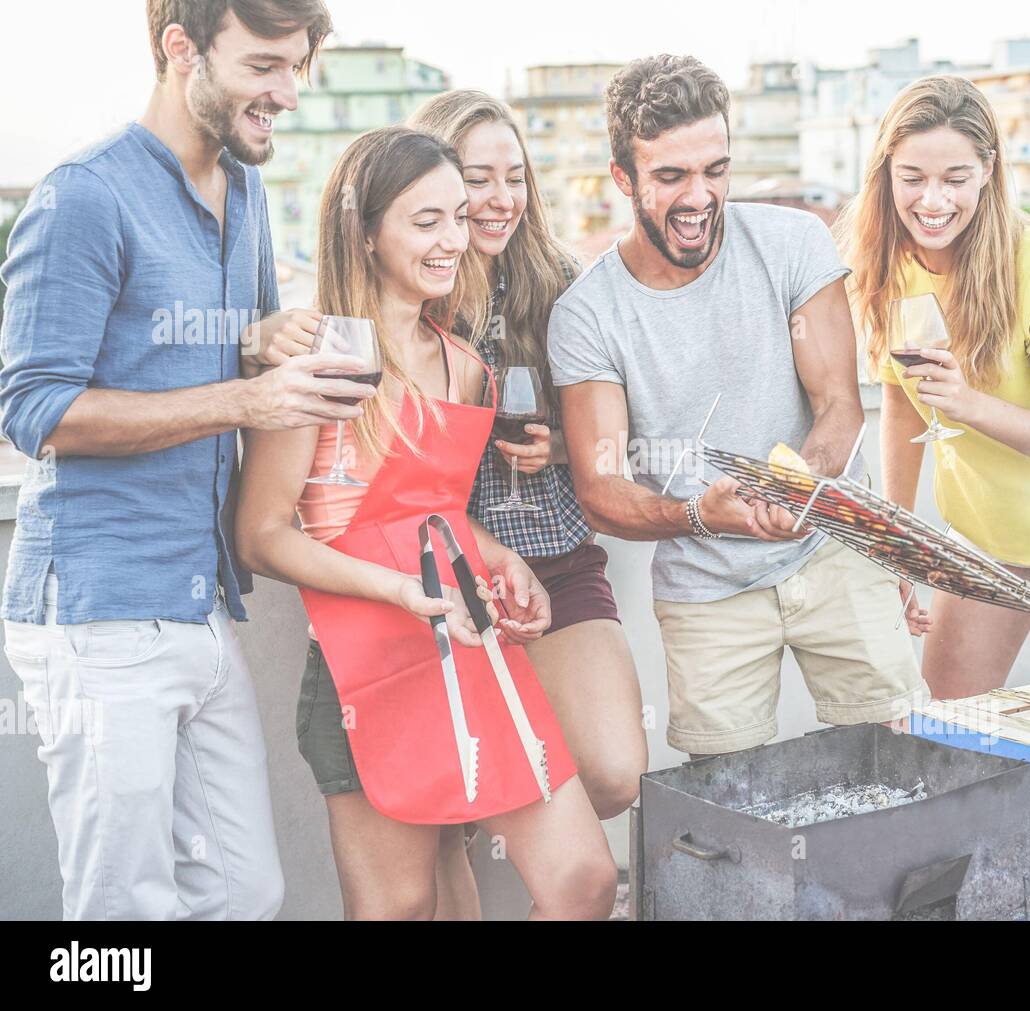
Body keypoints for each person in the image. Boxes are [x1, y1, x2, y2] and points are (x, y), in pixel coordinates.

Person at [0, 0, 343, 920]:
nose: (288, 92)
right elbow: (35, 407)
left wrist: (271, 339)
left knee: (244, 891)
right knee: (122, 914)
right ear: (179, 47)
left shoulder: (247, 186)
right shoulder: (82, 195)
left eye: (298, 66)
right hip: (99, 605)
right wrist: (242, 398)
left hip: (199, 599)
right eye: (266, 65)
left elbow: (238, 350)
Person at [235, 126, 617, 921]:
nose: (453, 241)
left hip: (468, 648)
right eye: (425, 221)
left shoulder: (469, 368)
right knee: (401, 908)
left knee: (585, 880)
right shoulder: (317, 361)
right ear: (365, 233)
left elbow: (435, 510)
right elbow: (263, 535)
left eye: (457, 217)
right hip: (362, 671)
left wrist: (500, 554)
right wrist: (398, 589)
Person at [550, 55, 926, 760]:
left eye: (715, 170)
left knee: (900, 755)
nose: (700, 197)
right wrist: (698, 514)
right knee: (729, 799)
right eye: (670, 177)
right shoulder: (587, 316)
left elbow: (841, 407)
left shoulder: (793, 244)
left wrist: (795, 492)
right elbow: (600, 489)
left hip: (834, 549)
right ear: (623, 179)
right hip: (704, 589)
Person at [838, 75, 1030, 699]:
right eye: (913, 178)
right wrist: (901, 541)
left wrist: (969, 405)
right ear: (885, 174)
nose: (933, 201)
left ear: (988, 170)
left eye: (955, 179)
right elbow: (902, 401)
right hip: (986, 531)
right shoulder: (883, 263)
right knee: (952, 728)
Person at [409, 91, 646, 816]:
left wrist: (566, 452)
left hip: (556, 559)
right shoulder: (411, 291)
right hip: (437, 582)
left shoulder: (563, 283)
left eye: (514, 178)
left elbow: (627, 433)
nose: (500, 198)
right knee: (458, 807)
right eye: (478, 179)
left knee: (616, 773)